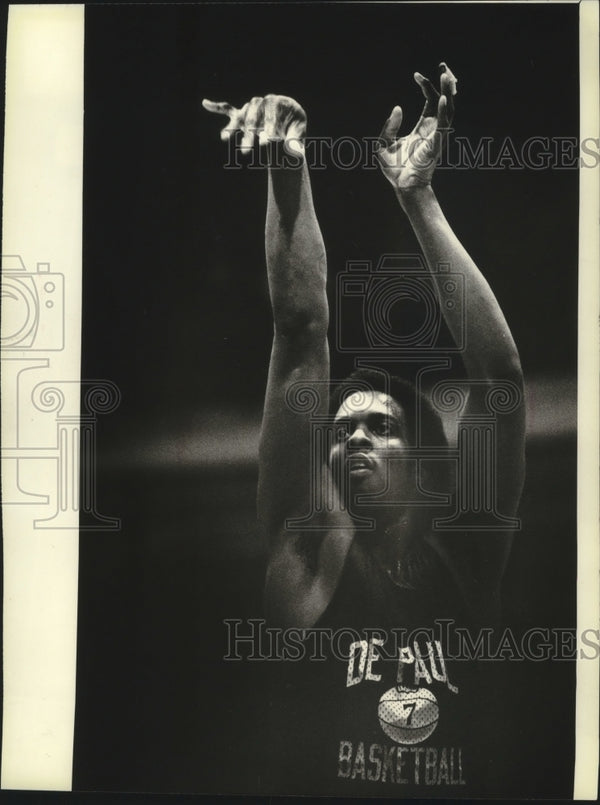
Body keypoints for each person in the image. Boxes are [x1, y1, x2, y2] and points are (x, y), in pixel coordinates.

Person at [203, 63, 526, 794]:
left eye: (379, 426)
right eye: (342, 432)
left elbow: (498, 379)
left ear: (421, 460)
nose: (353, 440)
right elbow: (300, 327)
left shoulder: (469, 565)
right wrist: (290, 172)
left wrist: (419, 197)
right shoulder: (309, 554)